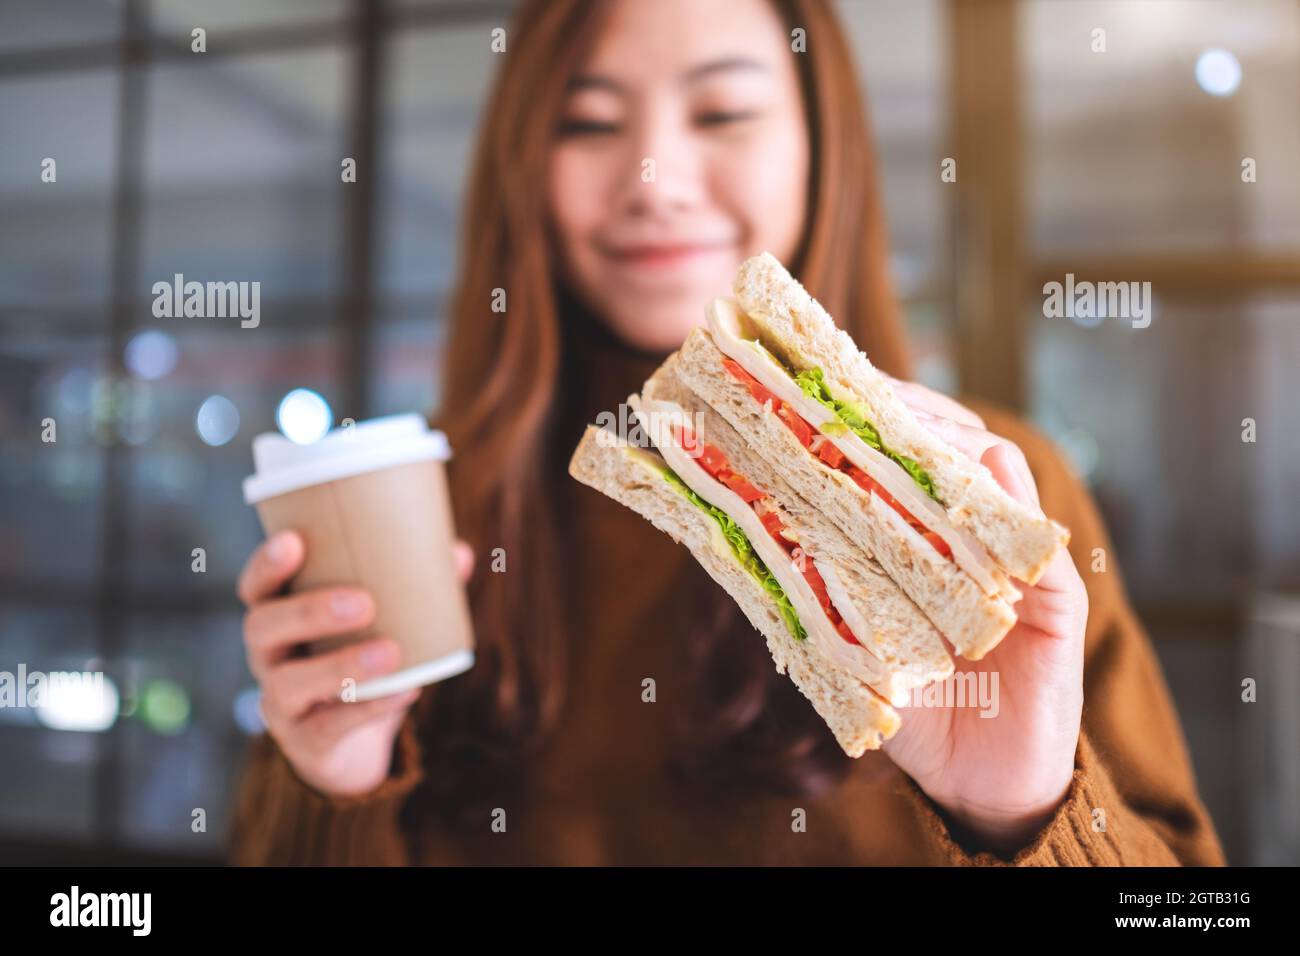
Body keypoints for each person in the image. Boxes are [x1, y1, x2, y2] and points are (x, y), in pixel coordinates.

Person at [228, 0, 1225, 865]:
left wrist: (1020, 813)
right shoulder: (421, 510)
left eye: (723, 112)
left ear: (821, 145)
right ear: (521, 163)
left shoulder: (1001, 494)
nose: (654, 180)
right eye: (588, 122)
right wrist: (332, 782)